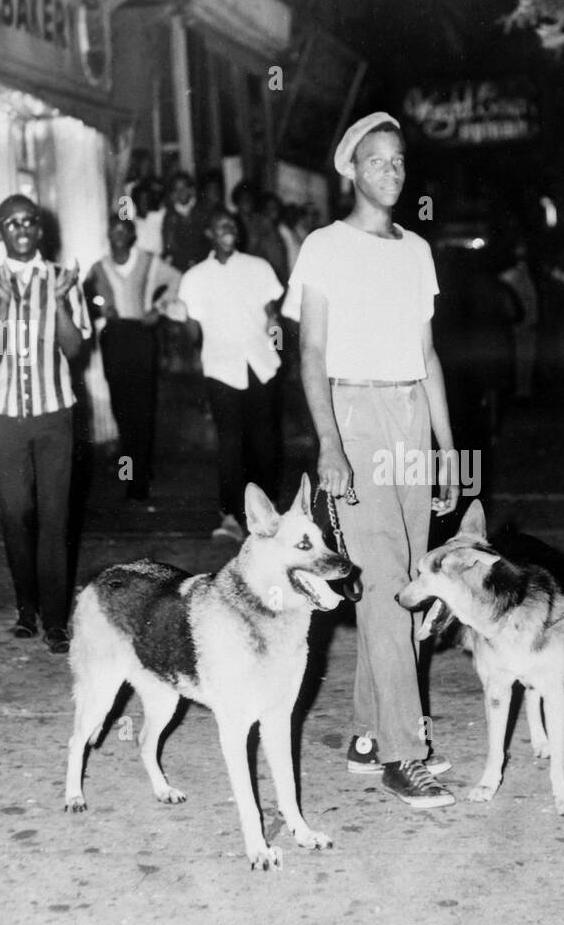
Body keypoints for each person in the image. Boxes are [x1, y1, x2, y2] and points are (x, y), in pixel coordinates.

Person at [284, 112, 460, 809]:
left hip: (411, 414)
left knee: (410, 579)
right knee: (385, 581)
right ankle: (401, 753)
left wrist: (446, 447)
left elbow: (427, 355)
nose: (391, 169)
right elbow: (312, 354)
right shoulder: (324, 246)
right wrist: (329, 441)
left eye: (398, 159)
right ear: (349, 170)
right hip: (354, 416)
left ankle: (365, 733)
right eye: (376, 159)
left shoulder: (416, 249)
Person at [0, 194, 90, 654]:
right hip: (4, 418)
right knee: (17, 515)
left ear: (40, 230)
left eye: (28, 221)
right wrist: (2, 302)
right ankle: (26, 610)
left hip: (55, 413)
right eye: (10, 223)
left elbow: (75, 349)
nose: (20, 229)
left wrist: (57, 302)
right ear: (0, 232)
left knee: (55, 517)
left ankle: (55, 620)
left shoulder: (65, 279)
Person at [179, 209, 284, 541]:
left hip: (261, 364)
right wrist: (184, 328)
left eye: (232, 226)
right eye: (222, 226)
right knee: (230, 443)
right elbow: (193, 331)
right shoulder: (194, 277)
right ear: (209, 233)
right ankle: (230, 516)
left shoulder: (258, 267)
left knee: (264, 441)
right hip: (222, 367)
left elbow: (273, 313)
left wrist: (276, 334)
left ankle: (267, 511)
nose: (230, 230)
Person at [85, 215, 182, 502]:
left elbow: (176, 278)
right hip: (114, 337)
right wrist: (101, 307)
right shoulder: (99, 267)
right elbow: (86, 296)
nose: (117, 236)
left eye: (123, 231)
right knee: (121, 406)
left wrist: (159, 308)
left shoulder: (147, 261)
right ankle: (133, 467)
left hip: (140, 335)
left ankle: (137, 477)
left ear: (131, 236)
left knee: (142, 405)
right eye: (113, 231)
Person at [501, 239, 540, 400]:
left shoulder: (529, 277)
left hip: (528, 325)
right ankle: (519, 391)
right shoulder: (508, 277)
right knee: (518, 360)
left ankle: (524, 390)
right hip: (516, 327)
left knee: (526, 360)